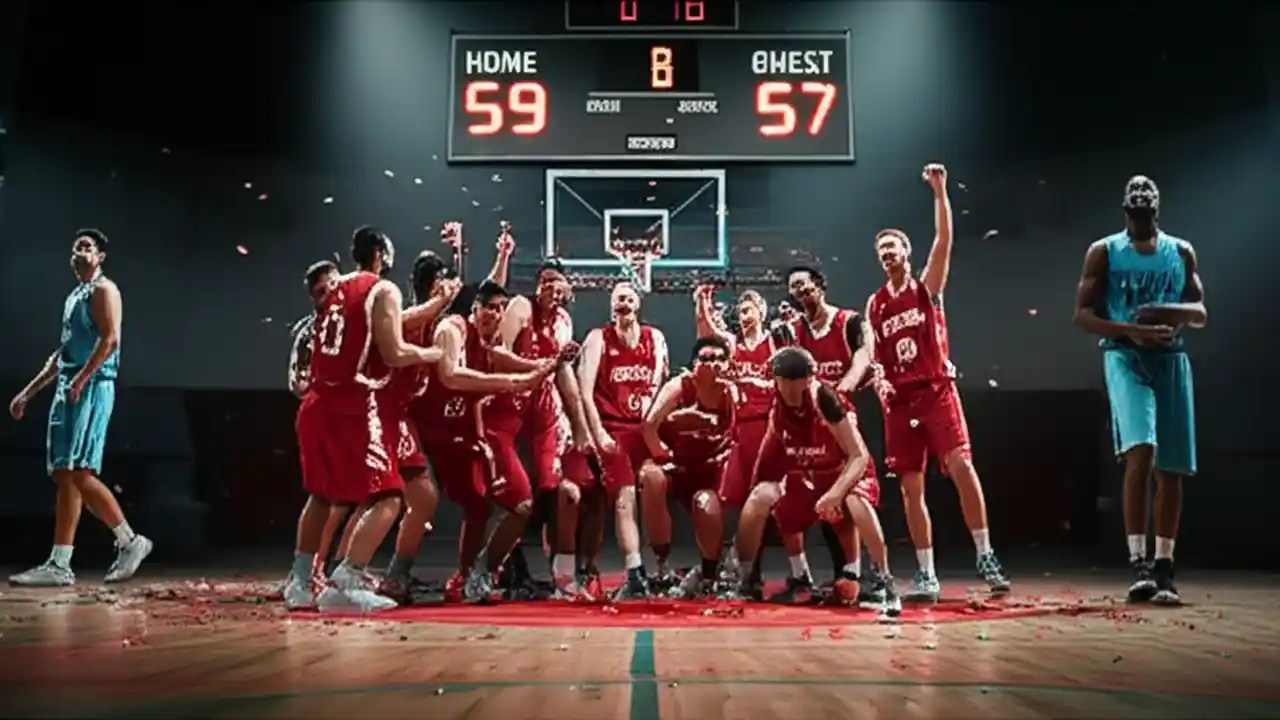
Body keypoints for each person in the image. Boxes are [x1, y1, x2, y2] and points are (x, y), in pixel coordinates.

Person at [865, 163, 1010, 601]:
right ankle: (926, 572)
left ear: (907, 253)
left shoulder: (926, 287)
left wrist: (940, 191)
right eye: (881, 249)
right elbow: (875, 354)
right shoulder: (875, 304)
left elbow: (944, 239)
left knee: (961, 466)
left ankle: (985, 553)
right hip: (900, 401)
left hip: (935, 390)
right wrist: (879, 380)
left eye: (892, 246)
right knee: (911, 487)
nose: (886, 252)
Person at [284, 226, 441, 613]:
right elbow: (394, 352)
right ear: (382, 254)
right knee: (388, 497)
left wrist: (437, 304)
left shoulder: (334, 289)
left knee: (322, 496)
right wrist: (433, 354)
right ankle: (346, 581)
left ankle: (300, 583)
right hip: (353, 404)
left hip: (316, 404)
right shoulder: (382, 289)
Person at [1073, 175, 1205, 606]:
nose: (1142, 200)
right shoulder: (1105, 251)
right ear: (1125, 208)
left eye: (1148, 196)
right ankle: (1138, 564)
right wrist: (1132, 329)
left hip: (1171, 358)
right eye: (1135, 197)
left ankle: (1165, 567)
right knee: (1141, 449)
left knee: (1172, 467)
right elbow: (1083, 316)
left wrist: (1165, 313)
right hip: (1124, 356)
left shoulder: (1180, 251)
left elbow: (1200, 311)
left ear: (1158, 208)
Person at [8, 229, 153, 587]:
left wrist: (82, 380)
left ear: (100, 256)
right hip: (69, 385)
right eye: (75, 249)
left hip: (91, 386)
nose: (78, 254)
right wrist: (28, 393)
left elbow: (110, 339)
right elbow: (63, 353)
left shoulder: (105, 290)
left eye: (86, 248)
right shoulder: (75, 295)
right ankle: (60, 563)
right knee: (65, 474)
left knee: (81, 472)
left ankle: (130, 541)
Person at [413, 280, 560, 603]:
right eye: (489, 308)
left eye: (500, 309)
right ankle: (377, 573)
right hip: (426, 431)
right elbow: (450, 376)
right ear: (475, 308)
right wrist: (512, 382)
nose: (495, 315)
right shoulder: (452, 329)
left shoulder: (490, 344)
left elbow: (508, 360)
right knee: (407, 501)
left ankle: (474, 575)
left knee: (490, 506)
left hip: (462, 433)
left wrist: (545, 365)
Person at [727, 347, 900, 617]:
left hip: (847, 472)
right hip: (811, 475)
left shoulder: (825, 399)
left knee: (855, 501)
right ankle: (758, 577)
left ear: (808, 380)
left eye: (795, 385)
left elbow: (859, 456)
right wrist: (757, 489)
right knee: (764, 496)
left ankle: (883, 579)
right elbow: (767, 455)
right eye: (783, 384)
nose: (789, 393)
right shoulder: (777, 405)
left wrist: (835, 493)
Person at [488, 258, 599, 599]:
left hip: (544, 417)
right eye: (545, 280)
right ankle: (498, 568)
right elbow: (497, 355)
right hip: (509, 411)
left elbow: (563, 374)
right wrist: (542, 366)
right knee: (516, 496)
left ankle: (562, 573)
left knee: (556, 490)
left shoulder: (563, 320)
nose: (551, 286)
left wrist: (581, 427)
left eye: (557, 280)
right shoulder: (521, 307)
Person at [779, 265, 876, 600]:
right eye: (794, 287)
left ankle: (867, 573)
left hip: (842, 416)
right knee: (824, 497)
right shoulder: (793, 331)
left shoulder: (849, 321)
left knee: (852, 496)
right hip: (810, 424)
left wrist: (842, 389)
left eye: (804, 285)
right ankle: (840, 574)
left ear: (819, 286)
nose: (800, 291)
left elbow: (864, 358)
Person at [376, 250, 462, 602]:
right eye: (443, 281)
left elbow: (487, 293)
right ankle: (329, 572)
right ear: (432, 284)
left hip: (401, 416)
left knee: (421, 498)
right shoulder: (408, 317)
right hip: (381, 412)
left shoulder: (441, 323)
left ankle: (395, 574)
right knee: (368, 500)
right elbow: (399, 326)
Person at [577, 281, 669, 599]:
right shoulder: (597, 339)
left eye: (629, 299)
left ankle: (662, 566)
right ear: (611, 306)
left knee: (656, 483)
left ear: (638, 304)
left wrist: (653, 423)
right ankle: (634, 570)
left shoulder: (654, 338)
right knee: (624, 496)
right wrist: (598, 433)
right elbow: (584, 393)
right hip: (612, 429)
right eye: (618, 299)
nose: (623, 304)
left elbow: (660, 385)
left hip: (644, 429)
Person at [640, 335, 737, 598]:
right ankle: (661, 568)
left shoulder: (733, 391)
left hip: (714, 469)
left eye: (719, 359)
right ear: (694, 364)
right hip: (680, 464)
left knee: (705, 503)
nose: (713, 365)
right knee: (650, 477)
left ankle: (709, 574)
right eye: (706, 359)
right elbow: (649, 426)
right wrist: (664, 452)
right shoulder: (680, 386)